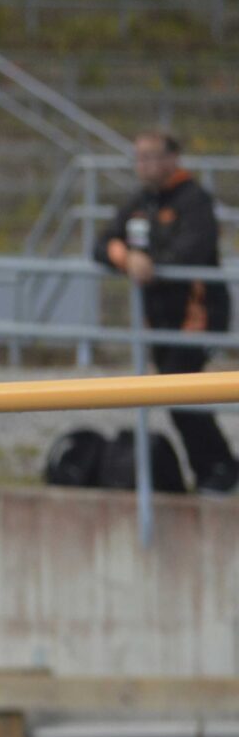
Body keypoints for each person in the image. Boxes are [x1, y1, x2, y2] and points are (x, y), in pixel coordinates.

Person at [93, 132, 236, 494]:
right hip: (158, 320)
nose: (146, 164)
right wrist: (126, 258)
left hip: (197, 317)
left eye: (153, 156)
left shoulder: (194, 200)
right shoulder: (142, 202)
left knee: (181, 394)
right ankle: (213, 472)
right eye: (140, 157)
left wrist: (149, 263)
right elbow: (102, 243)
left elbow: (191, 251)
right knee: (175, 397)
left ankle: (220, 470)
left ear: (174, 158)